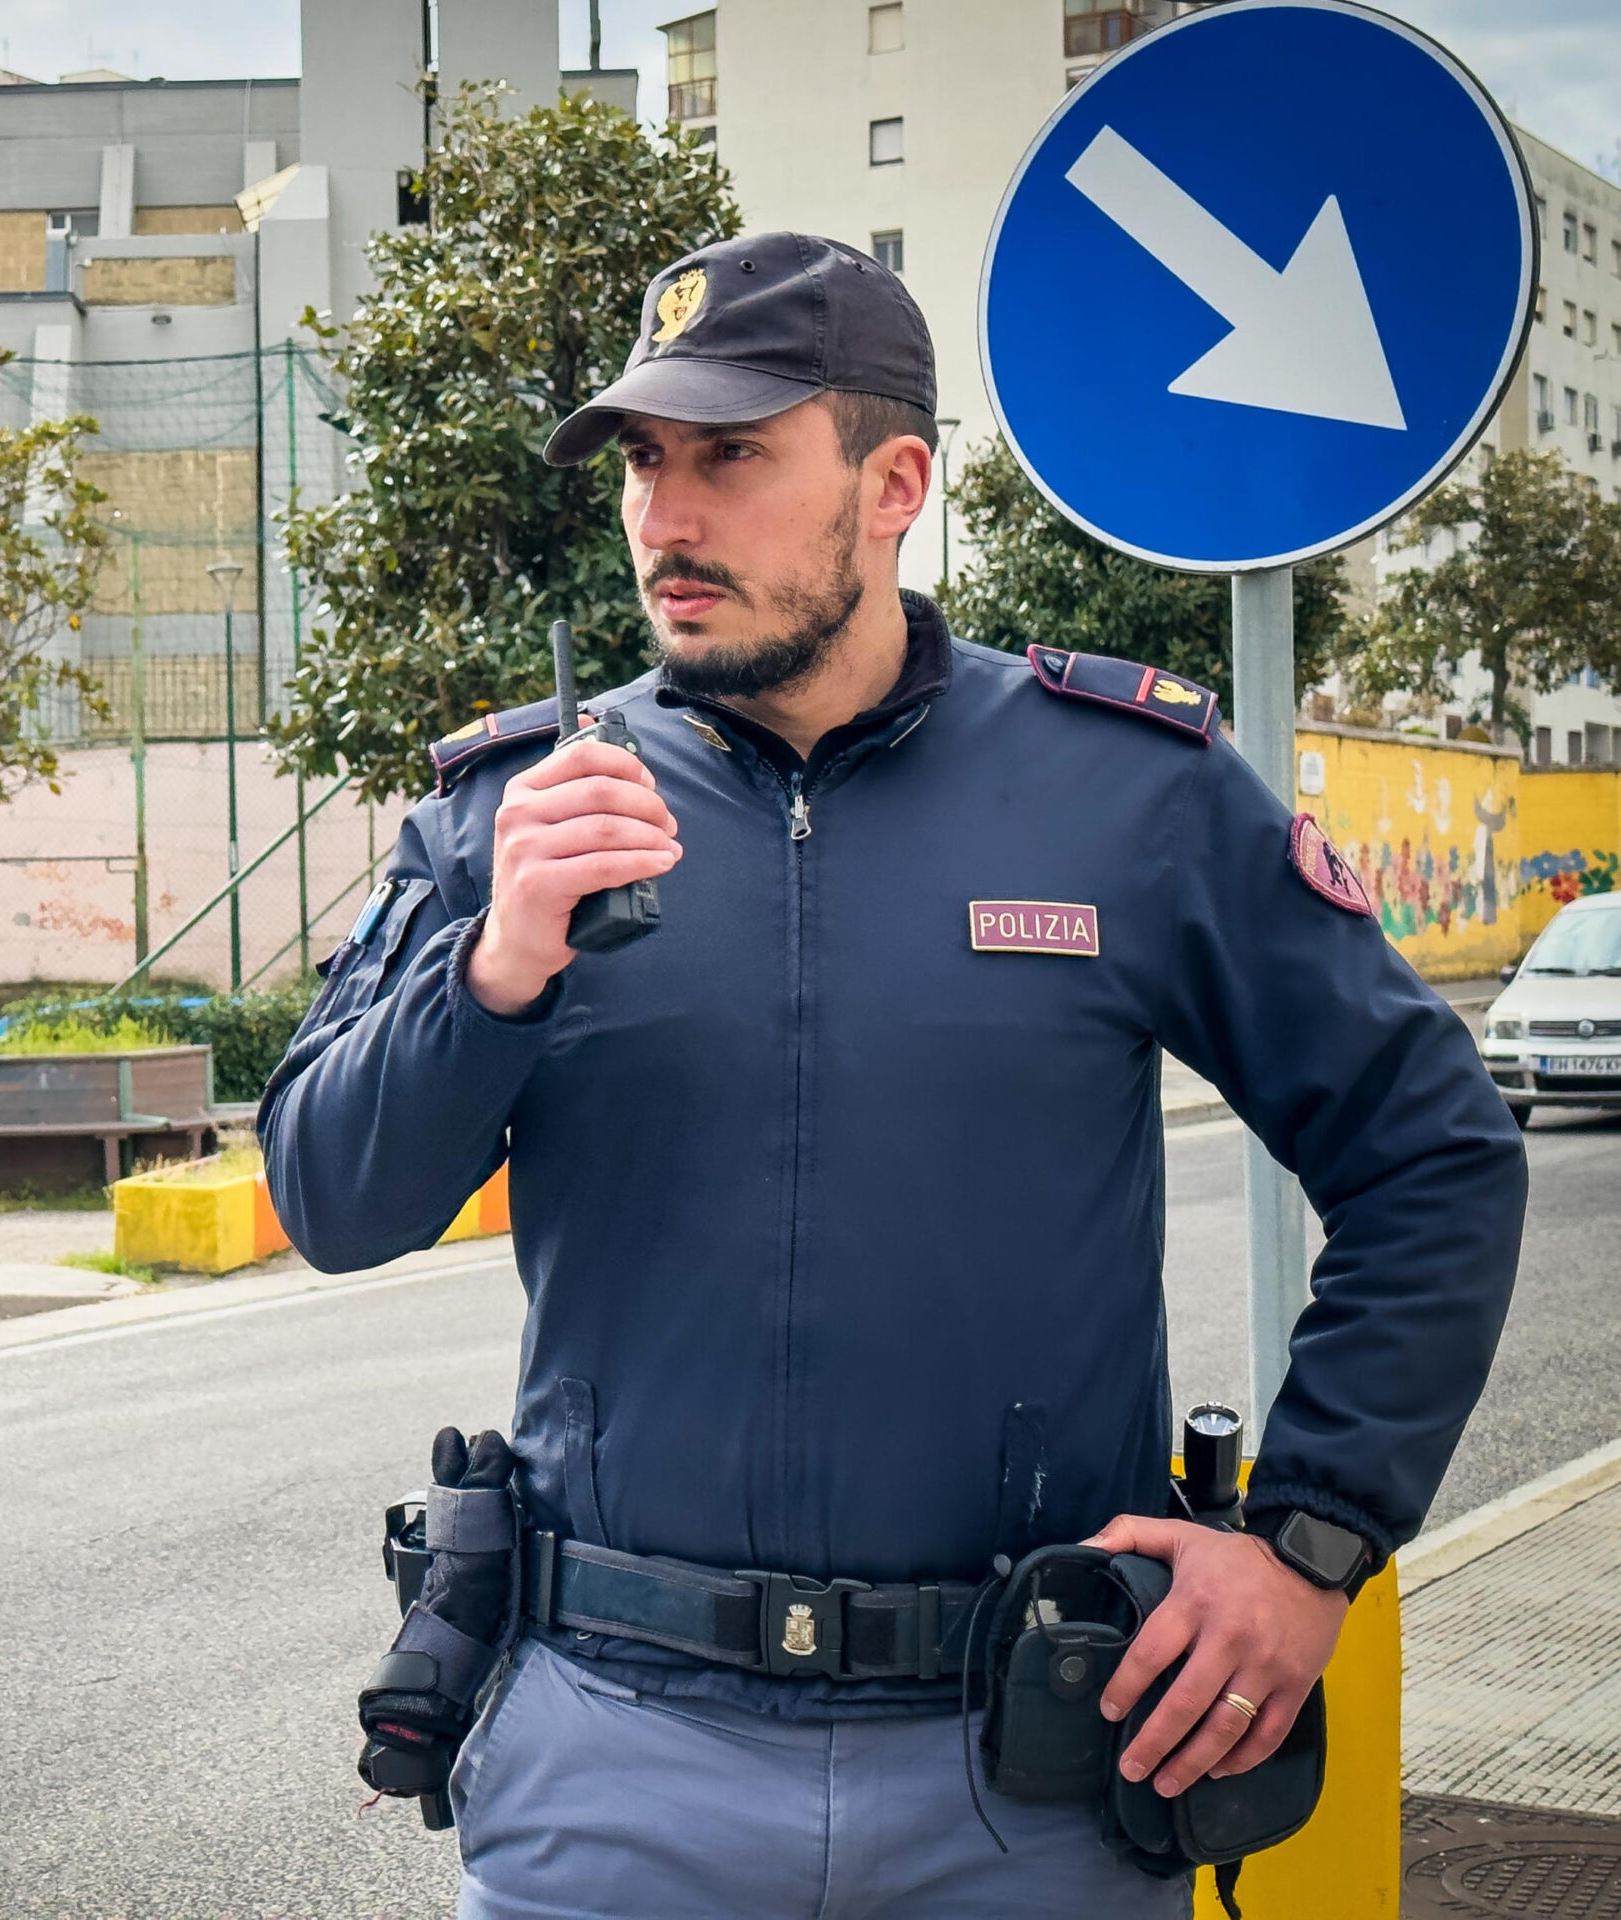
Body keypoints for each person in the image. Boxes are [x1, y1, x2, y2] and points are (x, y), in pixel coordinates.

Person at [258, 232, 1526, 1917]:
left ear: (893, 484)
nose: (664, 515)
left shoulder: (1129, 791)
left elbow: (1433, 1155)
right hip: (616, 1763)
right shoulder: (515, 814)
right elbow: (330, 1201)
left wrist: (1309, 1548)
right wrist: (494, 971)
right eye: (642, 462)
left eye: (729, 455)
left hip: (1027, 1777)